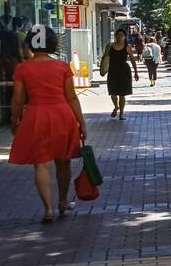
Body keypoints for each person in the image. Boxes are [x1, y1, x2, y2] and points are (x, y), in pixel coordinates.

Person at [9, 27, 86, 223]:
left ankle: (48, 209)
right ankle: (63, 201)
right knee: (64, 161)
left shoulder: (23, 68)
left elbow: (18, 100)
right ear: (51, 43)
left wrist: (14, 119)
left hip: (36, 116)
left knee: (40, 164)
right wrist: (82, 122)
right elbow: (72, 97)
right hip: (62, 116)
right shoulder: (62, 67)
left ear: (30, 43)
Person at [100, 28, 138, 119]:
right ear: (115, 36)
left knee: (122, 94)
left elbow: (132, 59)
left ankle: (121, 113)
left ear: (125, 37)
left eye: (122, 35)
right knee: (113, 93)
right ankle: (116, 106)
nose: (119, 36)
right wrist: (102, 68)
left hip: (124, 72)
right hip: (113, 71)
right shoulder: (109, 46)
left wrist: (136, 72)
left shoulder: (127, 47)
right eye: (118, 34)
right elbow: (104, 57)